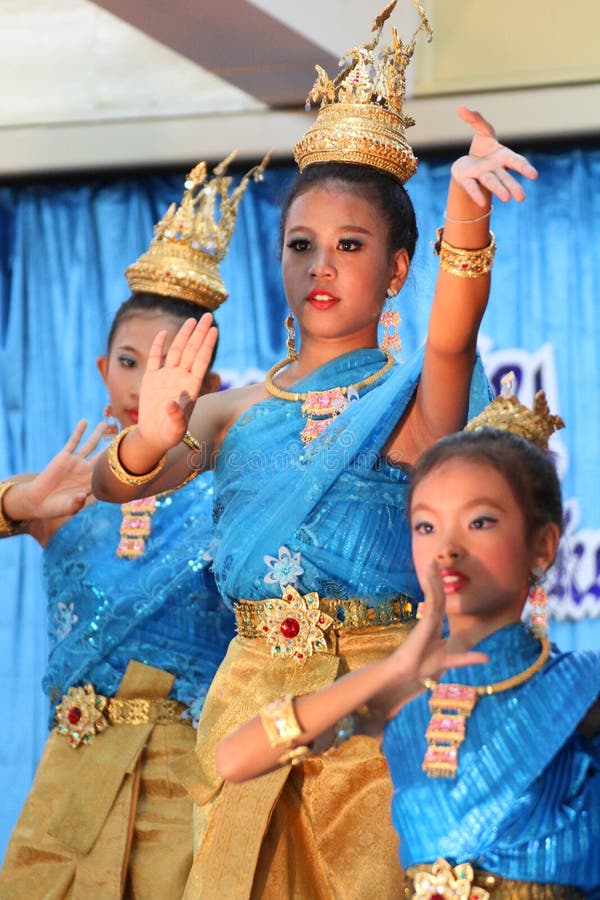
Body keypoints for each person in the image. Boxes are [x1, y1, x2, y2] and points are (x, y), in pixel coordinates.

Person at [91, 5, 539, 897]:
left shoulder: (407, 403)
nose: (321, 267)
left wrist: (466, 218)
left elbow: (451, 342)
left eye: (350, 246)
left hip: (374, 714)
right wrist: (149, 434)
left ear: (398, 269)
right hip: (245, 705)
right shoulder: (235, 410)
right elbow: (119, 483)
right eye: (302, 246)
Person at [0, 151, 268, 899]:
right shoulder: (64, 491)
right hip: (69, 787)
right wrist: (18, 503)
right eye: (127, 362)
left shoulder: (231, 498)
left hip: (187, 782)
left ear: (208, 387)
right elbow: (23, 503)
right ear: (100, 368)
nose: (140, 386)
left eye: (165, 367)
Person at [215, 409, 600, 899]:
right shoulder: (401, 691)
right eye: (425, 527)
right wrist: (393, 669)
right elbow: (233, 759)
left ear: (542, 546)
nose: (447, 549)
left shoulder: (580, 689)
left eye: (480, 521)